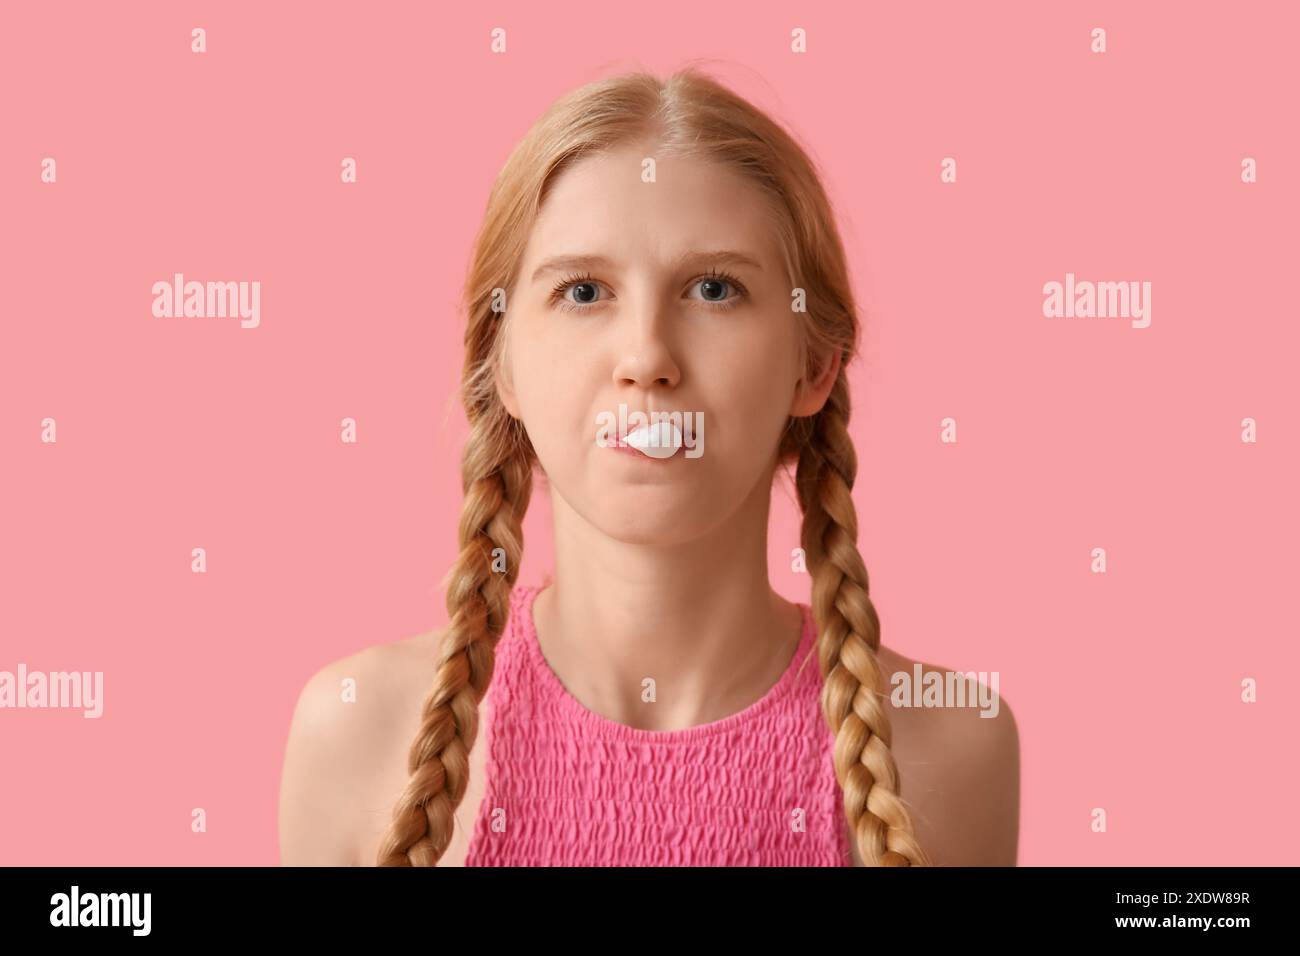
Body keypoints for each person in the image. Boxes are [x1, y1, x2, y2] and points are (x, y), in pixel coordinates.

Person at [279, 67, 1019, 867]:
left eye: (713, 288)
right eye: (584, 291)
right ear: (507, 368)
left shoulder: (954, 746)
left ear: (815, 365)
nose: (646, 357)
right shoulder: (355, 733)